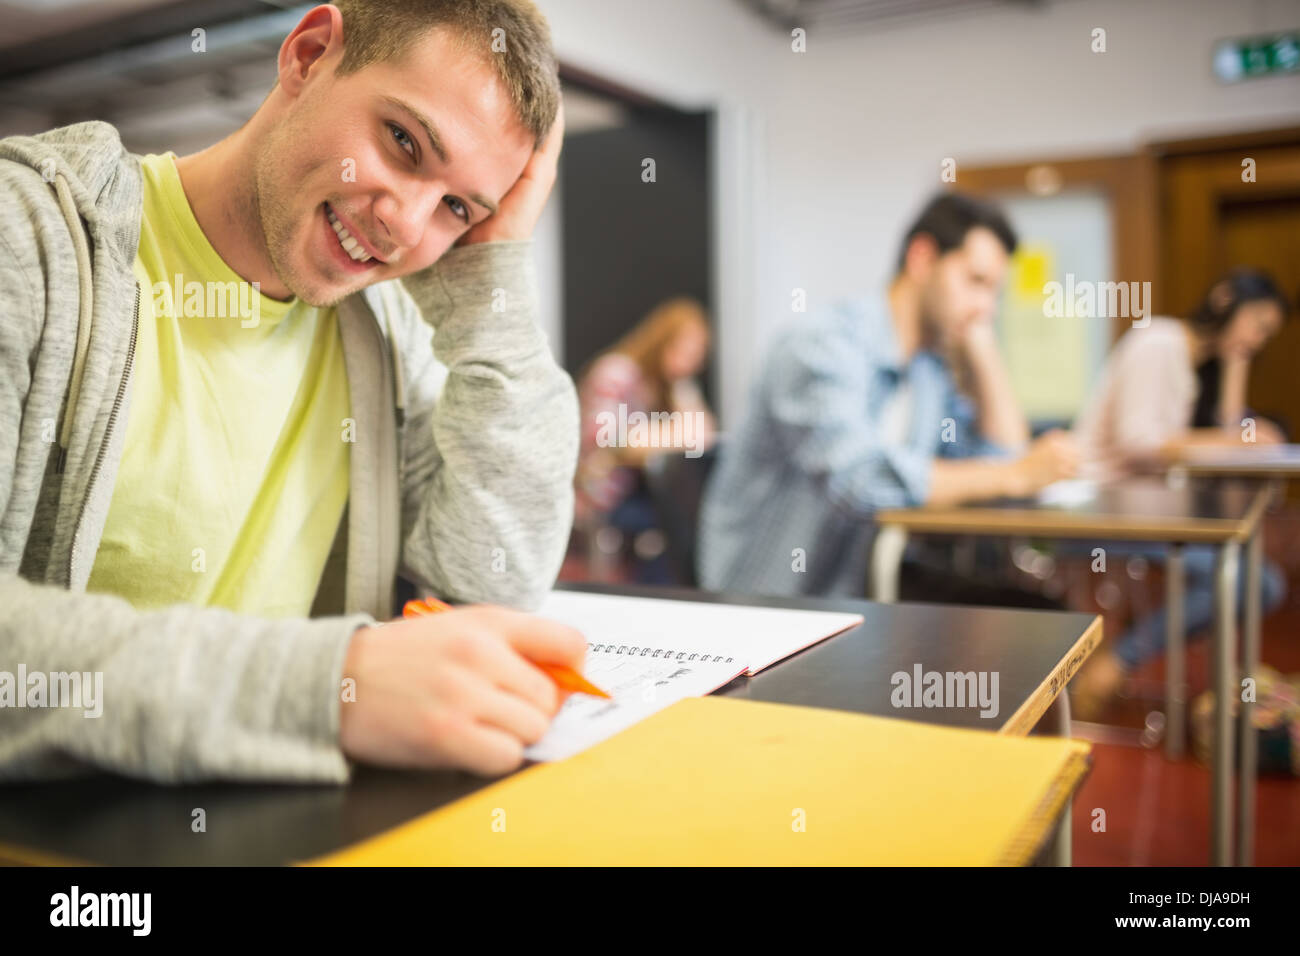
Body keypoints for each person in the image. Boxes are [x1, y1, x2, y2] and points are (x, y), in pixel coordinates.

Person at [0, 1, 588, 782]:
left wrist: (490, 281)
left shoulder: (382, 334)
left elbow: (486, 590)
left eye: (456, 207)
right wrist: (328, 688)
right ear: (309, 56)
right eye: (404, 142)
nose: (405, 228)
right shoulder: (28, 243)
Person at [697, 192, 1076, 600]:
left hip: (866, 590)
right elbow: (860, 480)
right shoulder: (821, 345)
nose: (986, 307)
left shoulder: (928, 369)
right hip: (774, 603)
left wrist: (984, 350)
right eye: (976, 282)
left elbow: (997, 459)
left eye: (995, 293)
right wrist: (1015, 475)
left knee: (1036, 612)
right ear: (922, 258)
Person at [1069, 268, 1291, 719]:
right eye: (1257, 325)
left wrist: (1236, 362)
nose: (1258, 339)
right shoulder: (1161, 342)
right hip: (1099, 508)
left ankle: (1122, 658)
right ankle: (1116, 661)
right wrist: (1239, 440)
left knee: (1253, 574)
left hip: (1140, 509)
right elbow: (1140, 442)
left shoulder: (1193, 366)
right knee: (1252, 579)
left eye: (1267, 334)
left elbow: (1226, 428)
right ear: (1225, 299)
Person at [574, 297, 716, 580]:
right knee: (674, 529)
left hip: (649, 494)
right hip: (608, 496)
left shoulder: (670, 387)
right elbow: (607, 439)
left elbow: (704, 435)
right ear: (663, 340)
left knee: (696, 517)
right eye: (684, 347)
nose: (690, 360)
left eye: (697, 353)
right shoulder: (617, 372)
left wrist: (681, 392)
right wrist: (672, 434)